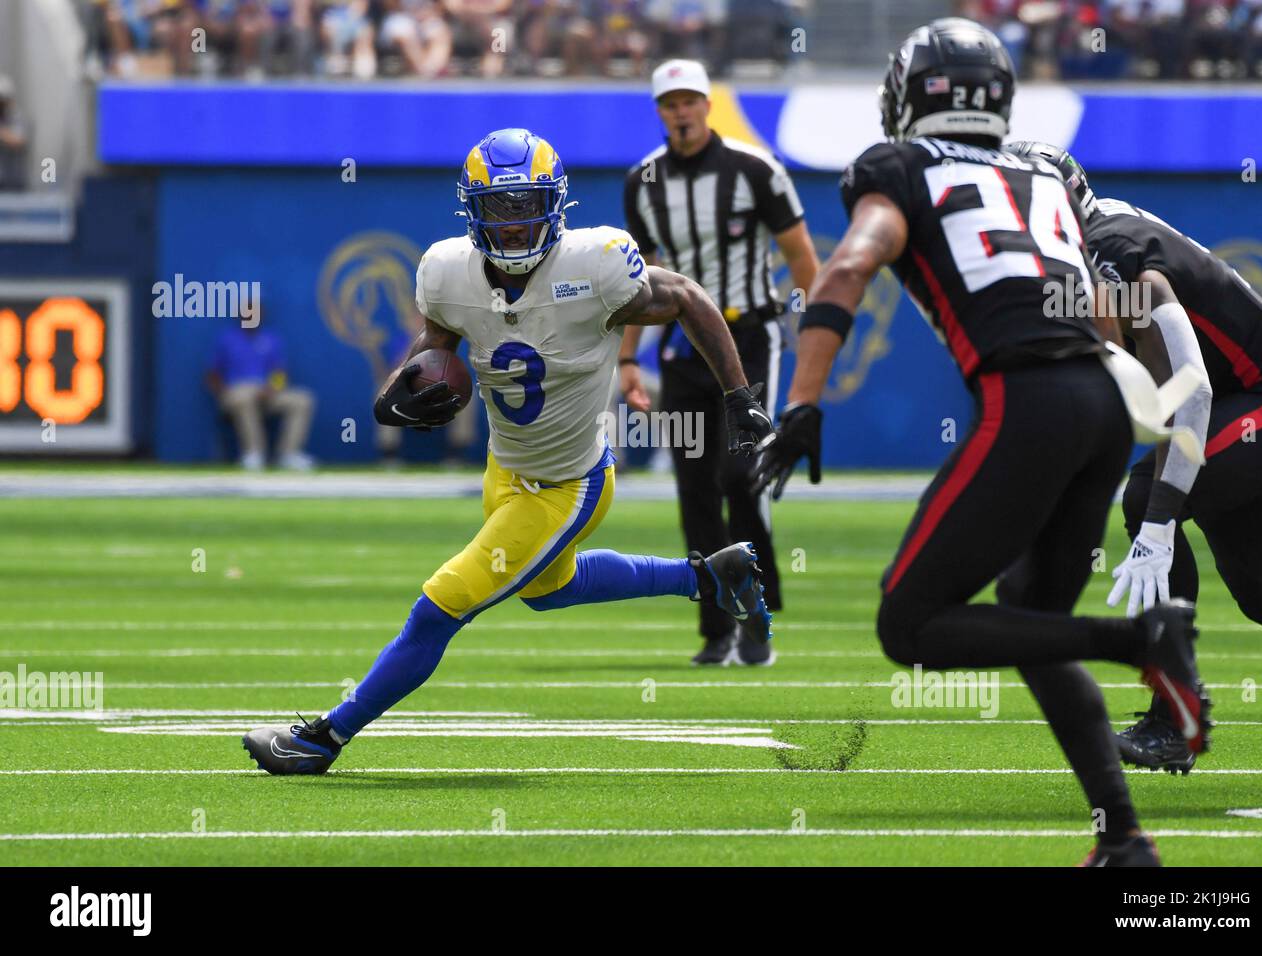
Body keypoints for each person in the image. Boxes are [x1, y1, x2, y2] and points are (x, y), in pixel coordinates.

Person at [751, 18, 1209, 866]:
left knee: (909, 623)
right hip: (1104, 403)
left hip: (1027, 397)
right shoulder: (1046, 172)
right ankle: (1124, 838)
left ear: (912, 94)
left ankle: (1137, 639)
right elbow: (1100, 313)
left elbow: (848, 268)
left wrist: (803, 404)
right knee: (1032, 622)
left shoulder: (897, 168)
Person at [242, 128, 774, 774]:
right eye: (501, 207)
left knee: (443, 603)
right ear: (474, 209)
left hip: (568, 483)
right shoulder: (447, 273)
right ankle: (708, 578)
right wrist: (397, 390)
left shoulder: (597, 265)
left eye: (527, 205)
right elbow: (435, 341)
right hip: (505, 467)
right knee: (548, 590)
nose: (516, 224)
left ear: (554, 204)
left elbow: (687, 297)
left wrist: (737, 395)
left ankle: (324, 738)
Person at [1006, 141, 1262, 773]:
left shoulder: (1110, 255)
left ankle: (1175, 717)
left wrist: (1160, 522)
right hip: (1247, 402)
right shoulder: (1093, 243)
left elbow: (1191, 389)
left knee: (1150, 494)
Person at [621, 58, 819, 666]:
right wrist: (629, 359)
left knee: (740, 477)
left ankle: (757, 610)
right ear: (658, 110)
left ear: (707, 104)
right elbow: (640, 277)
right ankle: (716, 627)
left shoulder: (754, 169)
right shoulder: (643, 183)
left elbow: (803, 259)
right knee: (694, 487)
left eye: (689, 100)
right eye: (669, 102)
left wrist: (815, 332)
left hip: (751, 339)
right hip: (681, 348)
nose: (680, 111)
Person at [207, 322, 317, 471]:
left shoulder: (271, 339)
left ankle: (288, 454)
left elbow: (280, 373)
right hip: (237, 391)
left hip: (266, 392)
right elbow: (213, 375)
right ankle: (254, 453)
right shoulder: (227, 339)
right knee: (243, 399)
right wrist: (223, 393)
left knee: (303, 400)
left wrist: (273, 389)